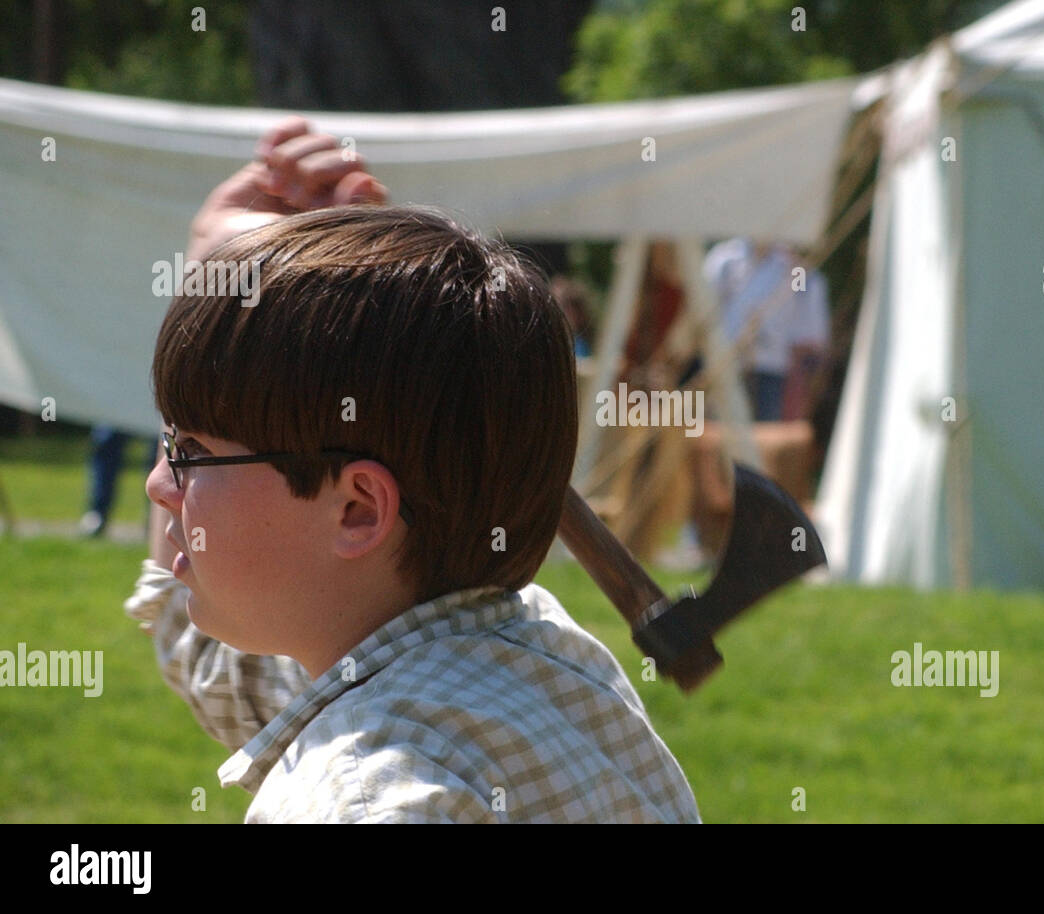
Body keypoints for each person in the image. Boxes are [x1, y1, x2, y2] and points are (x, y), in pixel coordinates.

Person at [124, 118, 699, 824]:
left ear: (360, 509)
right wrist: (220, 271)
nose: (159, 482)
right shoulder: (539, 659)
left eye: (192, 454)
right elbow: (223, 673)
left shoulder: (359, 798)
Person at [703, 237, 830, 422]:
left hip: (772, 365)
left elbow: (805, 297)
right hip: (727, 362)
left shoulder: (792, 266)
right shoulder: (724, 260)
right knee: (722, 427)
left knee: (766, 429)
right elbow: (705, 307)